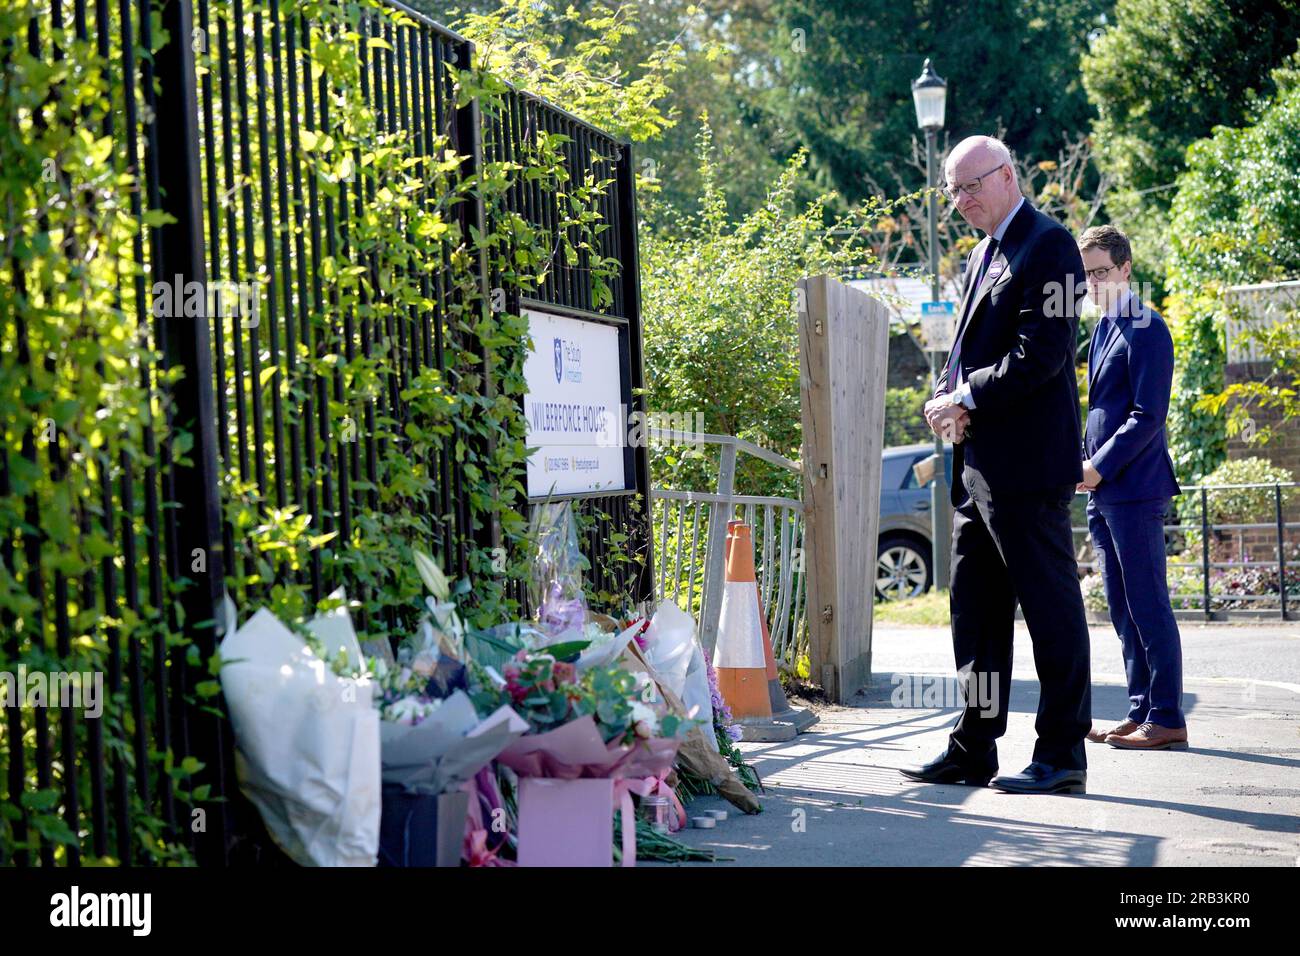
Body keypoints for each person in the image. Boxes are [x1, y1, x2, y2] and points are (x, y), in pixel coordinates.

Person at [899, 135, 1092, 795]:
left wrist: (967, 395)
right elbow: (971, 353)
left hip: (1029, 469)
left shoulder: (1052, 245)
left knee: (1050, 612)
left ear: (1008, 175)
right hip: (975, 467)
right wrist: (945, 400)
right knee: (976, 617)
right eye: (951, 190)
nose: (959, 201)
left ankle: (1063, 754)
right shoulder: (984, 251)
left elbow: (1045, 351)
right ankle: (973, 746)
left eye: (970, 186)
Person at [1076, 225, 1187, 750]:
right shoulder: (1102, 328)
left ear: (1124, 269)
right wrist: (1082, 460)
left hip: (1136, 489)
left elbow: (1149, 416)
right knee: (1121, 605)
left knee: (1148, 603)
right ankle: (1141, 708)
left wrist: (1098, 465)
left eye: (1100, 272)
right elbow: (1100, 409)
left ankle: (1167, 716)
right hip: (1102, 491)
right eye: (1085, 274)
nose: (1092, 282)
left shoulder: (1147, 327)